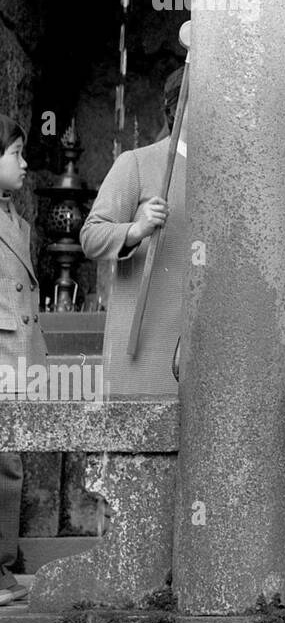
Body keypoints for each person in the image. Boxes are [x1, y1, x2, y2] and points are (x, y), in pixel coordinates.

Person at [81, 68, 188, 398]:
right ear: (175, 108)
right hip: (149, 339)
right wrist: (136, 229)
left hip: (207, 339)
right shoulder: (137, 163)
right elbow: (91, 236)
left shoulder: (230, 173)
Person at [0, 115, 47, 607]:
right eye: (15, 152)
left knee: (9, 463)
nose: (24, 162)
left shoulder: (15, 219)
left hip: (18, 359)